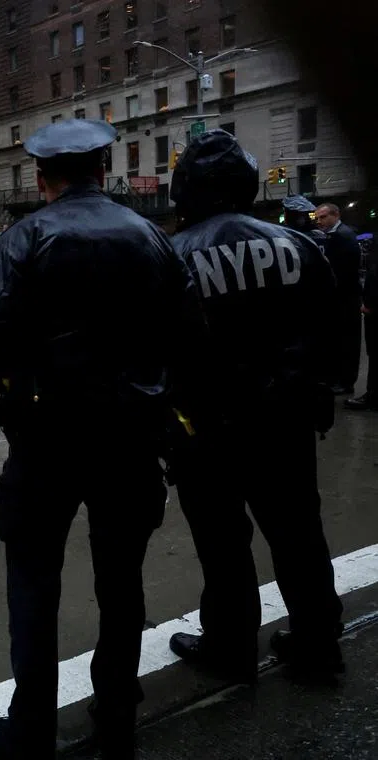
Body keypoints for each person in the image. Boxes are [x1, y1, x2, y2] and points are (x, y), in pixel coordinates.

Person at [0, 119, 197, 759]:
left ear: (42, 177)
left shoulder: (25, 238)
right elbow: (187, 335)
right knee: (122, 581)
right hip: (130, 440)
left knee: (34, 584)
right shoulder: (151, 237)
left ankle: (31, 726)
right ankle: (116, 712)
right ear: (103, 170)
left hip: (46, 441)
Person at [165, 130, 344, 682]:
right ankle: (318, 644)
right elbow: (331, 335)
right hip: (284, 421)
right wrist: (312, 395)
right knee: (299, 535)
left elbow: (159, 353)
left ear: (185, 189)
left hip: (206, 431)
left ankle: (229, 647)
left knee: (223, 546)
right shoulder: (301, 246)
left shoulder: (173, 256)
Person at [315, 202, 364, 395]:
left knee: (348, 343)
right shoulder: (336, 235)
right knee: (340, 341)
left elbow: (344, 272)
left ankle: (345, 382)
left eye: (323, 217)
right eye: (317, 218)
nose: (319, 221)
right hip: (342, 298)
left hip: (346, 299)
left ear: (336, 215)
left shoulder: (342, 236)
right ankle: (339, 379)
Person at [347, 236, 378, 410]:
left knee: (375, 354)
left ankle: (373, 395)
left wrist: (369, 304)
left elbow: (374, 275)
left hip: (375, 309)